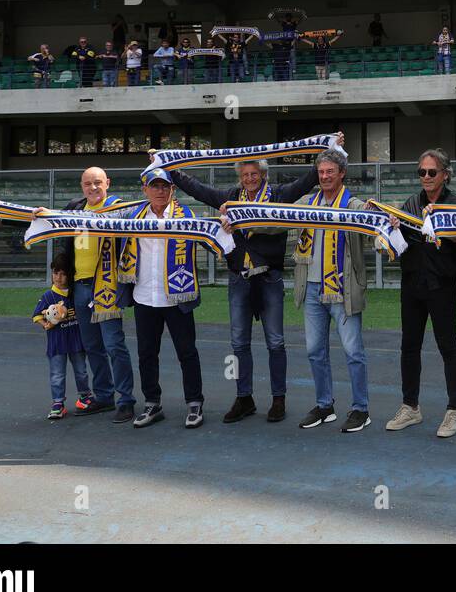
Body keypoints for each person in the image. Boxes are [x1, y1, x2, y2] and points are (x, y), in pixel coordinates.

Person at [167, 151, 322, 424]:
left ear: (263, 175)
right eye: (245, 175)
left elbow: (306, 182)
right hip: (239, 278)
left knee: (276, 342)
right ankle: (244, 397)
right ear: (240, 177)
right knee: (238, 343)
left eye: (254, 174)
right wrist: (172, 171)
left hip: (269, 277)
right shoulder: (230, 197)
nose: (249, 179)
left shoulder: (278, 194)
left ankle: (278, 398)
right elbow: (199, 190)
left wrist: (325, 153)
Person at [22, 167, 138, 423]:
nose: (93, 187)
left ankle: (126, 400)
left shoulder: (120, 208)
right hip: (80, 286)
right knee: (92, 346)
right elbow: (57, 228)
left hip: (106, 285)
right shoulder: (74, 207)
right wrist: (40, 214)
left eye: (98, 182)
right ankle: (105, 396)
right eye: (88, 183)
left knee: (113, 344)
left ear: (108, 182)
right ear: (81, 186)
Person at [385, 149, 456, 438]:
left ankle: (454, 410)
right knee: (408, 346)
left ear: (445, 174)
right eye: (421, 172)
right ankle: (410, 406)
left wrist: (451, 233)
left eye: (431, 172)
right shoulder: (410, 203)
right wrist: (393, 230)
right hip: (411, 284)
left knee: (448, 346)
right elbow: (404, 243)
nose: (425, 177)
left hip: (442, 286)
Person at [293, 149, 373, 433]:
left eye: (330, 171)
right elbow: (277, 209)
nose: (325, 176)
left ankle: (361, 409)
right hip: (312, 288)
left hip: (342, 288)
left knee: (353, 351)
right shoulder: (306, 203)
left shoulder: (353, 205)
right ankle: (324, 405)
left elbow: (371, 216)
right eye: (321, 172)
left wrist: (379, 215)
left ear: (342, 174)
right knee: (315, 350)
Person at [120, 167, 207, 429]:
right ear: (145, 190)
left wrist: (224, 224)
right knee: (147, 353)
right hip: (144, 296)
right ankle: (152, 403)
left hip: (178, 297)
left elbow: (213, 236)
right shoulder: (131, 216)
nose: (159, 191)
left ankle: (194, 403)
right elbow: (88, 218)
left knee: (187, 352)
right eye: (154, 186)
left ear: (173, 189)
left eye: (164, 186)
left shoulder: (187, 216)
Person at [32, 260, 92, 420]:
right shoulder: (48, 296)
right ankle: (58, 404)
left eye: (63, 274)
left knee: (81, 371)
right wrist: (45, 323)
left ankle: (85, 397)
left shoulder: (75, 293)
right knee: (57, 374)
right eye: (55, 273)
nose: (58, 277)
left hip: (76, 340)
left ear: (69, 276)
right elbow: (36, 315)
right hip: (57, 342)